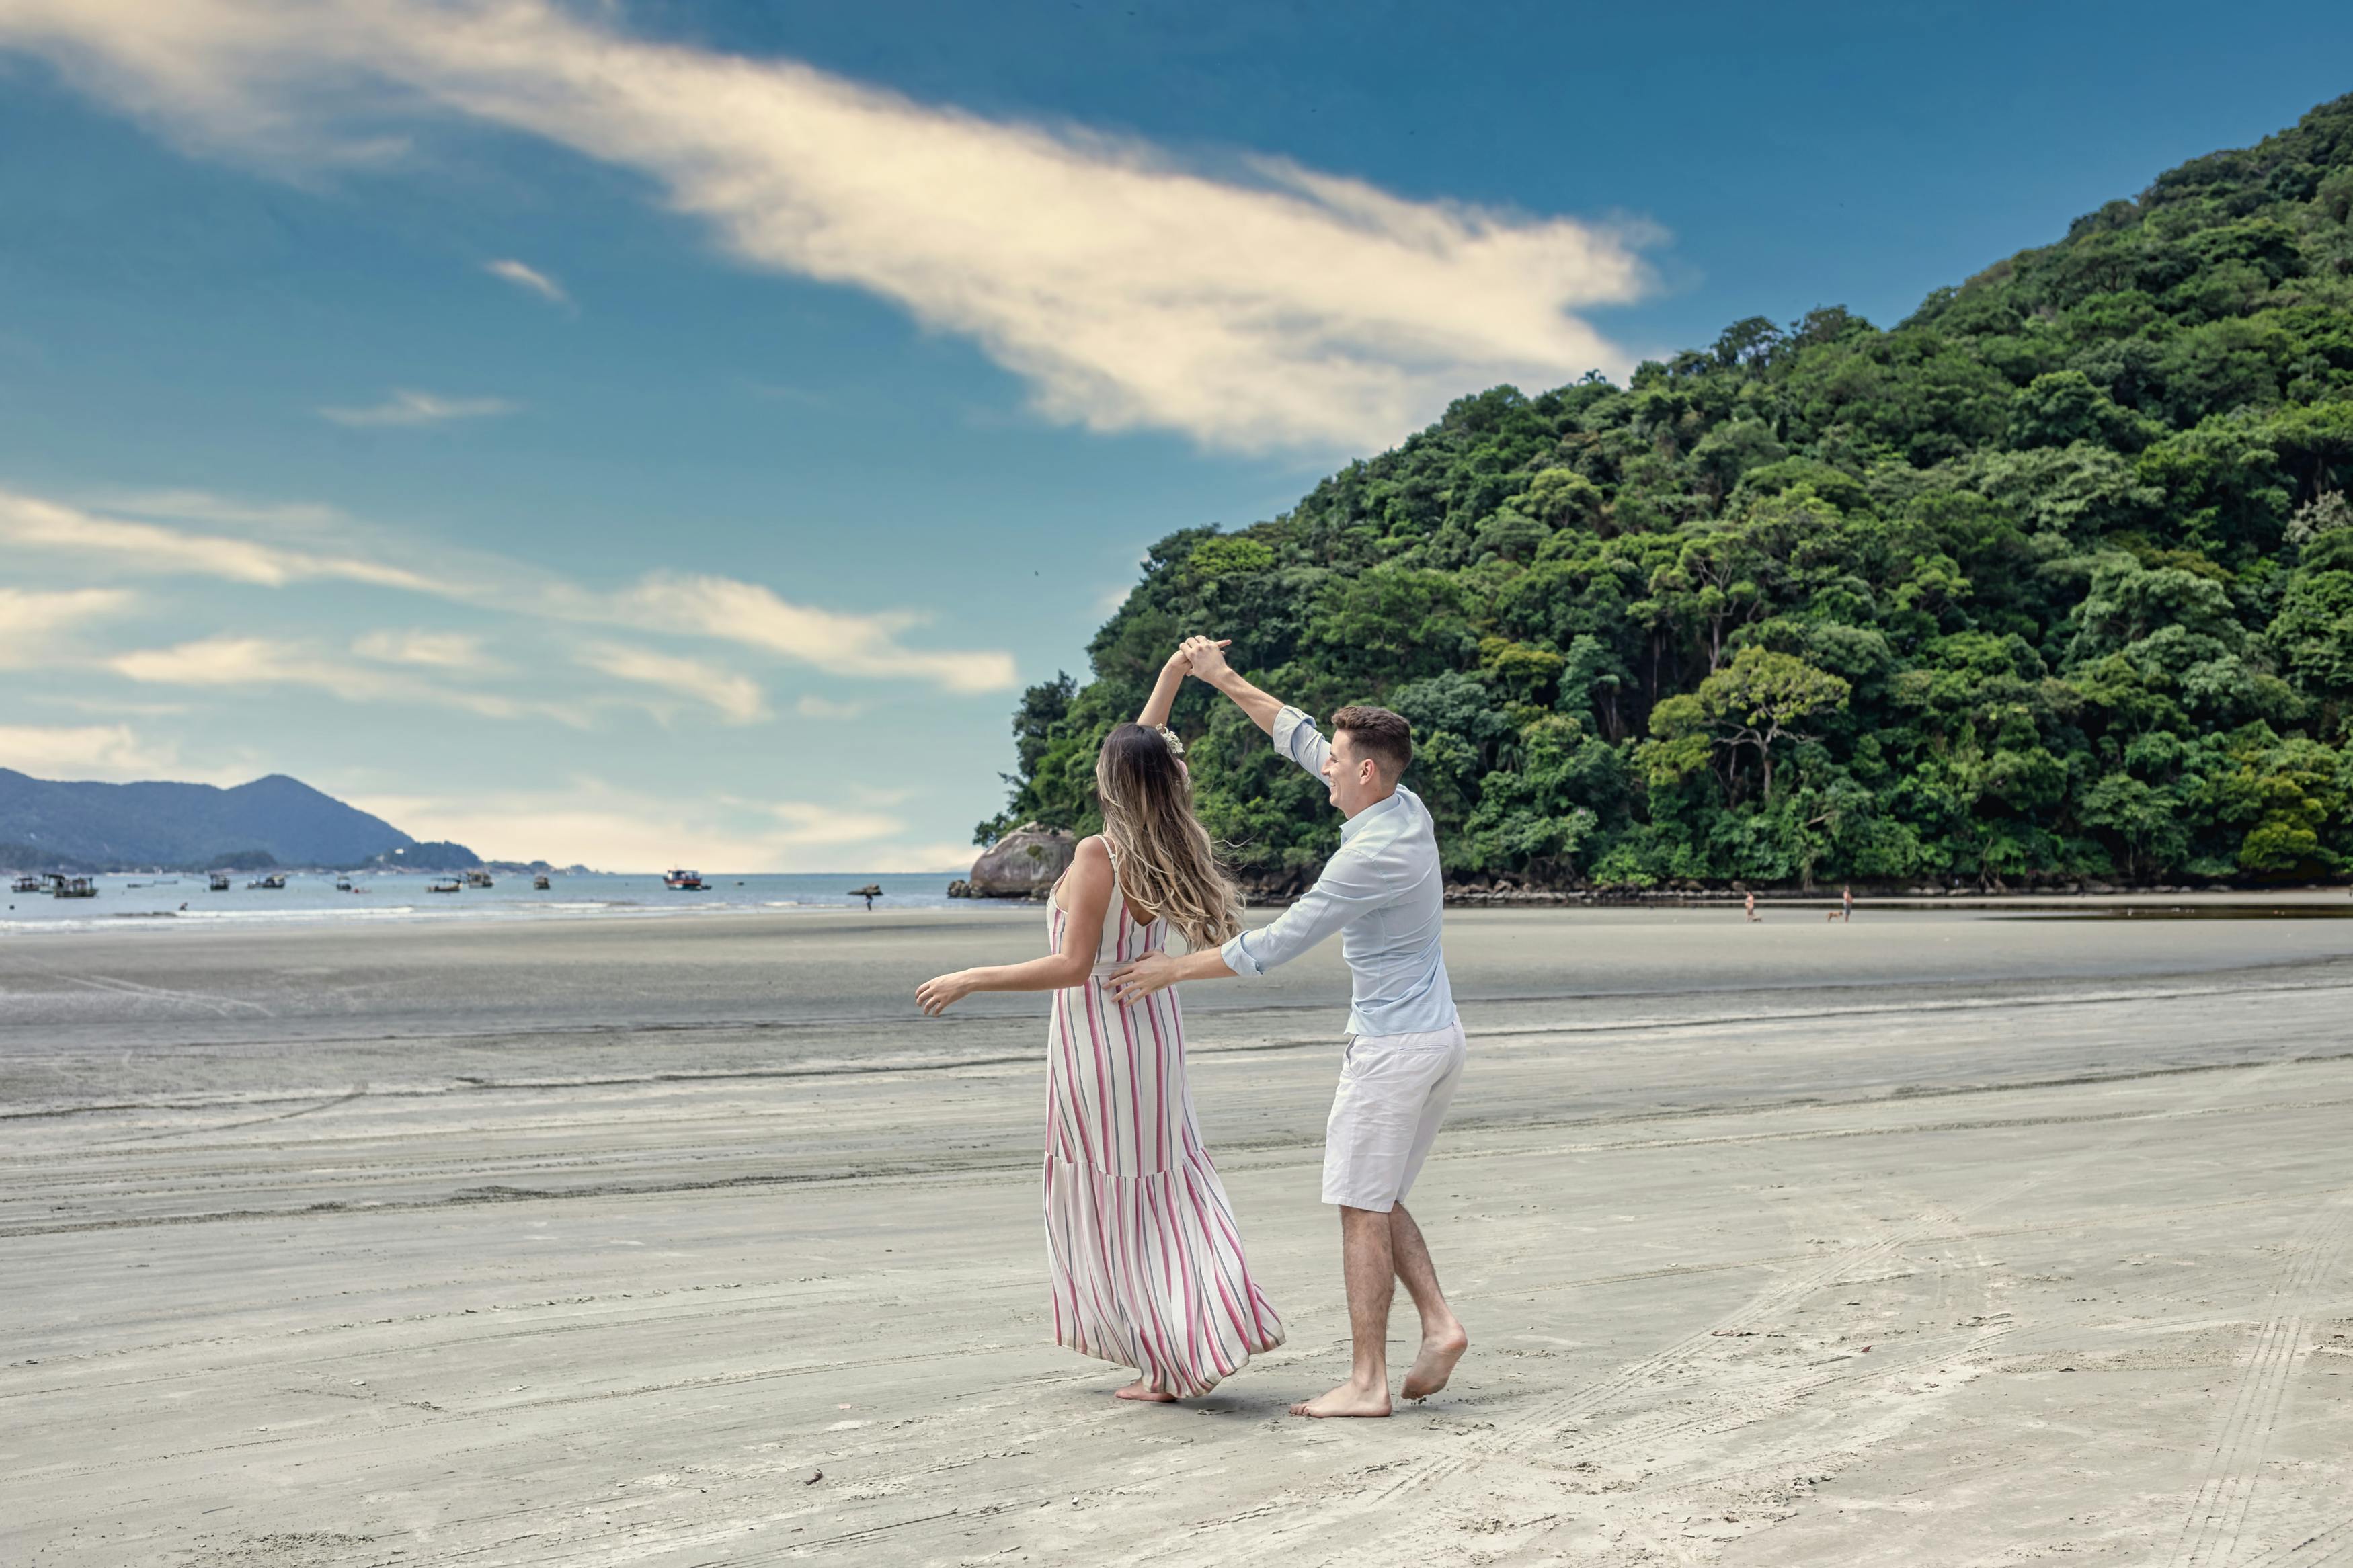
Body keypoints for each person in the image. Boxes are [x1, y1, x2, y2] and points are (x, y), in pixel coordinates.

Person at [1108, 635, 1470, 1420]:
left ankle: (1367, 1381)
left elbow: (1271, 946)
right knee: (1379, 1194)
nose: (1325, 768)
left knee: (1359, 1206)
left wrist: (1172, 968)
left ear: (1365, 771)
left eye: (1338, 762)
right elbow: (1296, 733)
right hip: (1435, 1037)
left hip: (1392, 1050)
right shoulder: (1401, 805)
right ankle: (1439, 1323)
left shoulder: (1367, 858)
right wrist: (1218, 676)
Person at [916, 641, 1283, 1401]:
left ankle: (1170, 1356)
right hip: (1154, 1034)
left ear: (1115, 780)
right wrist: (1172, 674)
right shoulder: (1167, 842)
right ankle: (1190, 1333)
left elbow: (1071, 965)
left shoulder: (1096, 853)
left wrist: (970, 977)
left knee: (1120, 1194)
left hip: (1098, 1040)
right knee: (1162, 1184)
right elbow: (1147, 749)